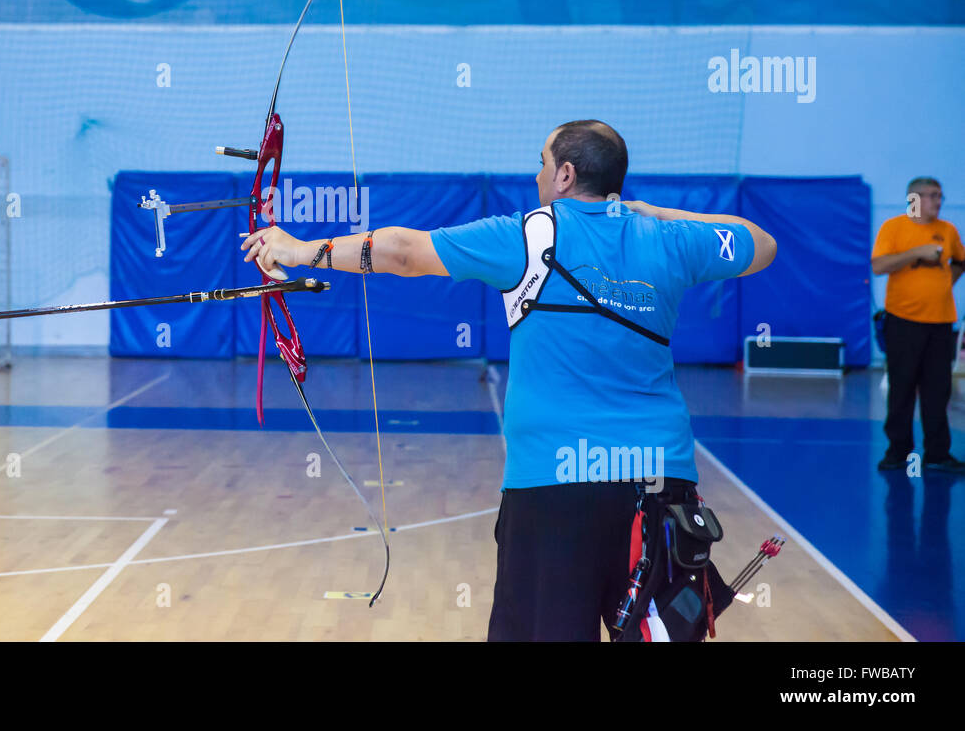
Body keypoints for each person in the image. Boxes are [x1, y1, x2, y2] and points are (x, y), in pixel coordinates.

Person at [242, 119, 777, 640]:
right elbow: (760, 243)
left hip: (555, 490)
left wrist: (297, 251)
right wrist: (647, 210)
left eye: (542, 164)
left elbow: (403, 253)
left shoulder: (529, 234)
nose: (537, 176)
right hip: (662, 490)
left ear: (565, 175)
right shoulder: (669, 240)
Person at [872, 177, 965, 475]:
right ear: (914, 198)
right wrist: (917, 253)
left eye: (940, 196)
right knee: (902, 388)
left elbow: (961, 261)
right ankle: (898, 452)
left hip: (940, 324)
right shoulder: (894, 227)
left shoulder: (947, 231)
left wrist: (944, 284)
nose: (938, 201)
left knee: (938, 391)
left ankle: (937, 454)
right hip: (903, 323)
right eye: (932, 196)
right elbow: (878, 266)